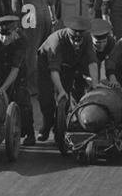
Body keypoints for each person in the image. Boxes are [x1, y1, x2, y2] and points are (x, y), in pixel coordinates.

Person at [36, 15, 91, 143]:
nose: (77, 44)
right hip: (46, 65)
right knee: (46, 98)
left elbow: (92, 62)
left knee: (64, 99)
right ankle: (46, 125)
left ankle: (59, 129)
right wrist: (60, 90)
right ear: (69, 35)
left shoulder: (87, 38)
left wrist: (94, 83)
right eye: (74, 41)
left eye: (79, 41)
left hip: (68, 66)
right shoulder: (57, 41)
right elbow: (53, 69)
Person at [11, 0, 54, 98]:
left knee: (31, 55)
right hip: (47, 19)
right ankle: (49, 84)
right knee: (47, 52)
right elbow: (52, 2)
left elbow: (15, 12)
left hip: (30, 23)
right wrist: (53, 19)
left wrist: (16, 30)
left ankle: (33, 88)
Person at [0, 16, 35, 146]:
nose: (4, 39)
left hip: (17, 73)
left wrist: (3, 88)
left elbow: (15, 69)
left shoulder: (21, 40)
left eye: (8, 35)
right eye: (2, 35)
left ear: (15, 32)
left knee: (22, 100)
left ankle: (30, 133)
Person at [88, 19, 116, 84]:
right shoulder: (87, 42)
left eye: (104, 42)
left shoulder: (111, 42)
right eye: (98, 42)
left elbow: (111, 61)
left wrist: (112, 77)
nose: (101, 45)